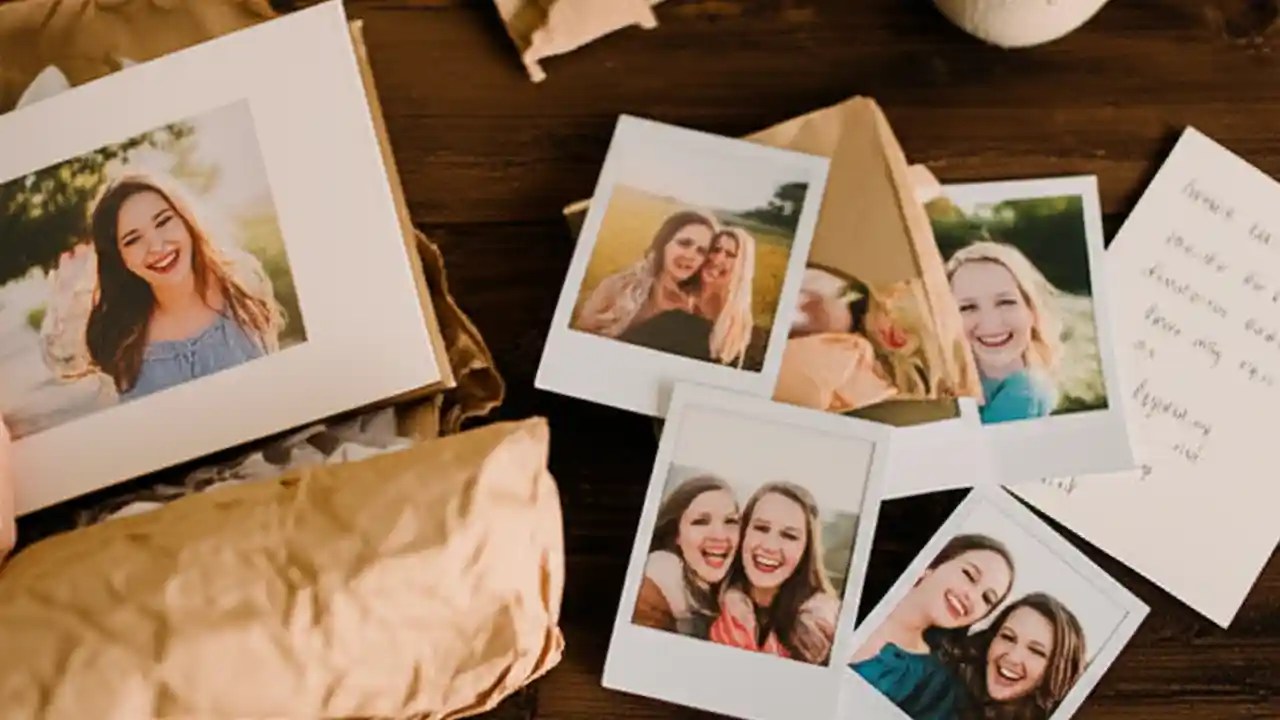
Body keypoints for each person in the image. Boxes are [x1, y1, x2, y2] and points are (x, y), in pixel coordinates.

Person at [82, 170, 284, 402]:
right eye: (133, 239)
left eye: (164, 221)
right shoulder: (119, 339)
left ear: (186, 219)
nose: (156, 246)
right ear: (120, 258)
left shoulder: (243, 290)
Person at [849, 534, 1016, 720]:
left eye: (987, 599)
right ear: (933, 564)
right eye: (969, 575)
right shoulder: (858, 582)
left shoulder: (934, 685)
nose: (972, 597)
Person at [708, 481, 840, 665]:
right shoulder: (707, 604)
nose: (770, 546)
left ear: (806, 549)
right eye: (761, 528)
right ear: (744, 532)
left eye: (789, 536)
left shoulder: (825, 631)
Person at [945, 241, 1062, 424]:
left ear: (1031, 310)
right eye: (967, 307)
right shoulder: (954, 382)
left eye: (1006, 302)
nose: (990, 323)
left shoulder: (1025, 394)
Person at [617, 225, 757, 368]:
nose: (717, 259)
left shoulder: (741, 328)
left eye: (729, 255)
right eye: (715, 249)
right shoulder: (674, 298)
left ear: (742, 267)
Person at [574, 210, 717, 340]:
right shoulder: (617, 287)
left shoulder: (697, 311)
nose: (691, 255)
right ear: (664, 242)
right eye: (684, 243)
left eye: (701, 251)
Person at [633, 475, 741, 639]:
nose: (720, 536)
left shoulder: (740, 590)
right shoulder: (651, 591)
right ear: (676, 534)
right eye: (701, 522)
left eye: (730, 521)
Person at [953, 593, 1086, 720]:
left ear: (1058, 672)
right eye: (1008, 637)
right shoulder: (945, 682)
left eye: (1036, 651)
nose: (1013, 658)